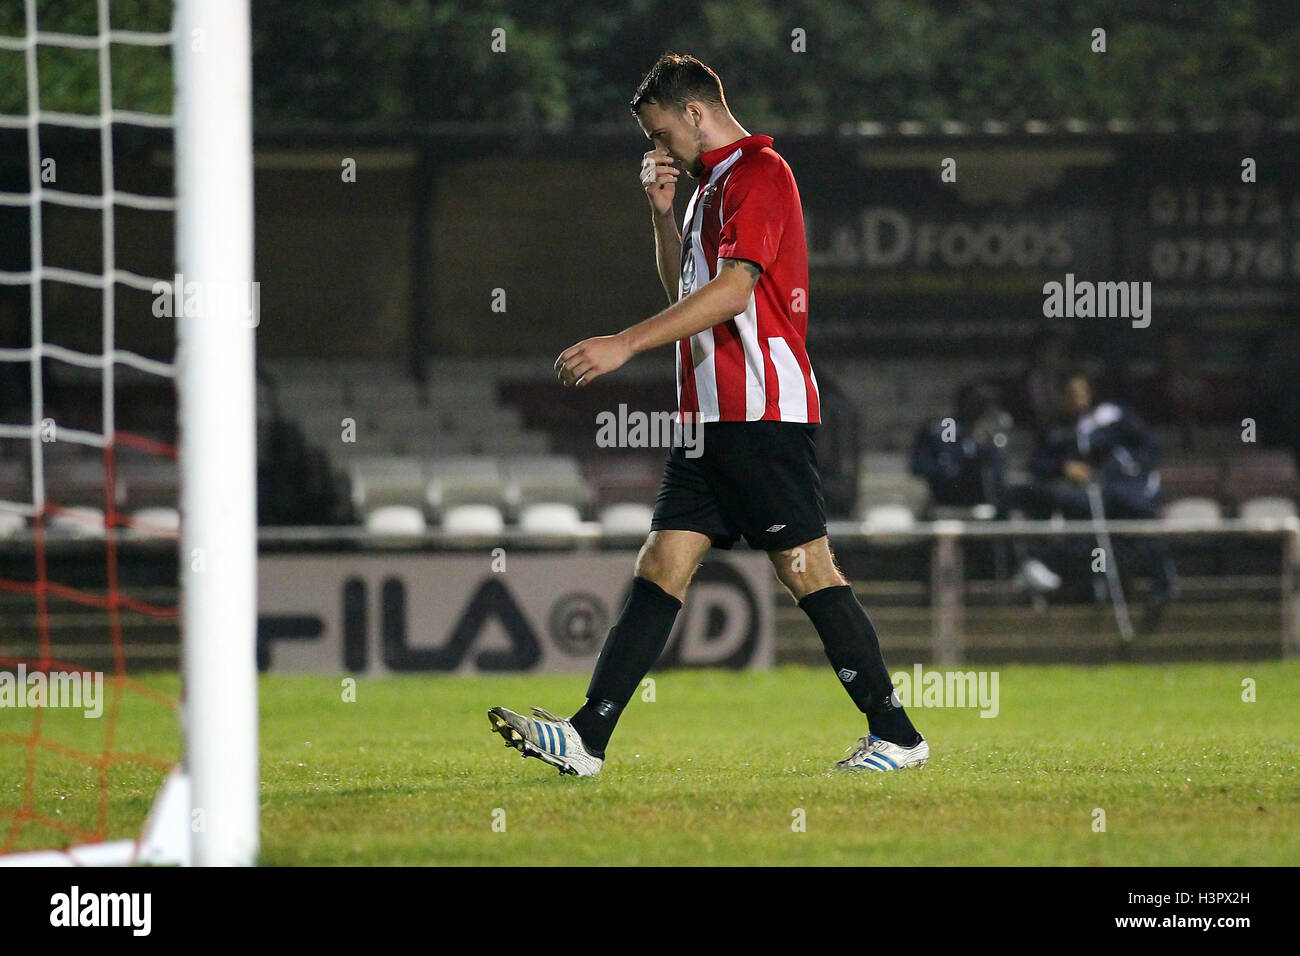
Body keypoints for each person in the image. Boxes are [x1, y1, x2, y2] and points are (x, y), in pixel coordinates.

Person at [488, 53, 927, 776]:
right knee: (661, 563)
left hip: (760, 412)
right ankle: (588, 738)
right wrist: (662, 219)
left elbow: (732, 295)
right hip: (709, 419)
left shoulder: (761, 175)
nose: (659, 152)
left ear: (695, 113)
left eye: (662, 134)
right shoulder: (702, 193)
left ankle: (898, 734)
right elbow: (687, 291)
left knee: (807, 569)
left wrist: (623, 343)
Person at [1028, 370, 1176, 624]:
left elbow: (1147, 446)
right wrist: (1064, 467)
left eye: (1083, 393)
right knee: (1076, 516)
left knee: (1140, 513)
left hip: (1124, 487)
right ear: (1061, 398)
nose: (1080, 400)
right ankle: (1089, 583)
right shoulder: (1055, 430)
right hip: (1086, 497)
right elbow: (1038, 464)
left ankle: (1162, 581)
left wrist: (1129, 469)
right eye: (1072, 395)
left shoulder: (1111, 415)